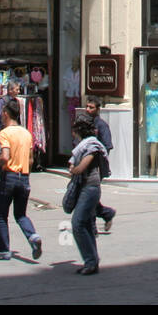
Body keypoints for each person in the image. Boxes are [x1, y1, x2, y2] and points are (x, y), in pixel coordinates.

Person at [0, 98, 43, 261]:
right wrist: (26, 174)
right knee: (21, 215)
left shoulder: (5, 133)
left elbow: (5, 156)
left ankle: (3, 250)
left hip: (9, 177)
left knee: (2, 216)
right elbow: (31, 159)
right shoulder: (26, 133)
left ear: (5, 113)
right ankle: (33, 236)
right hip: (24, 177)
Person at [69, 113, 108, 275]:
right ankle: (92, 260)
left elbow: (81, 167)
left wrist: (74, 169)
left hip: (90, 188)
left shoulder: (91, 145)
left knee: (77, 223)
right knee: (85, 224)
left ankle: (91, 261)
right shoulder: (85, 145)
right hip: (88, 188)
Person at [84, 96, 117, 232]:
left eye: (91, 107)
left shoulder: (101, 125)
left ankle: (92, 227)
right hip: (85, 166)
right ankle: (106, 213)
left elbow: (107, 146)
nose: (87, 109)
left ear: (98, 109)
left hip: (95, 167)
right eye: (87, 106)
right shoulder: (86, 123)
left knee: (88, 195)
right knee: (87, 195)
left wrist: (98, 163)